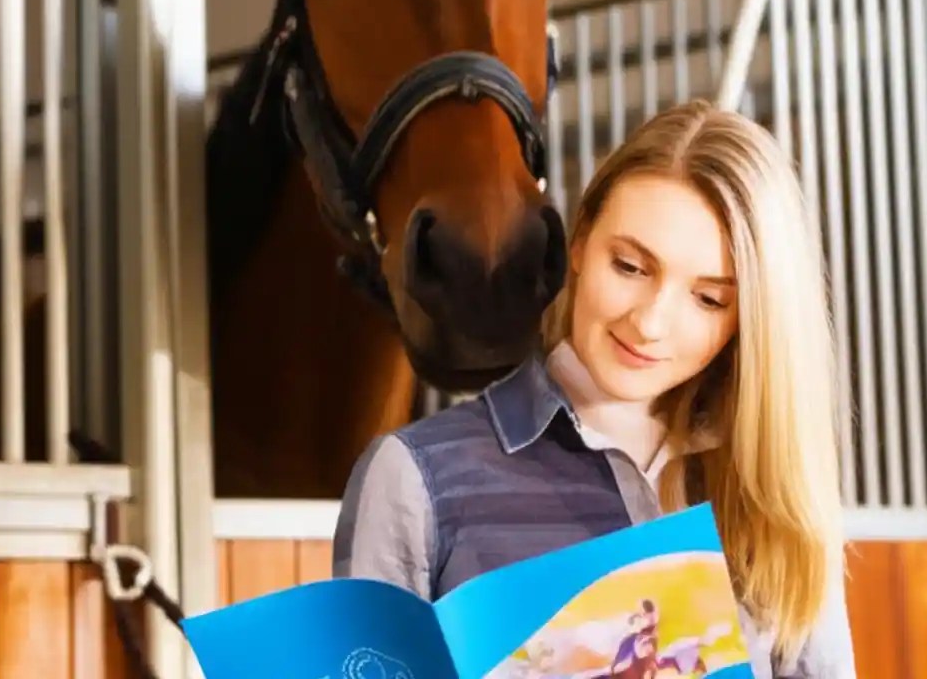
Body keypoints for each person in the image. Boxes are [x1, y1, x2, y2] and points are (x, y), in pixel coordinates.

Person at [332, 100, 856, 678]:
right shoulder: (415, 478)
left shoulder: (771, 493)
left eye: (708, 299)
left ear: (748, 319)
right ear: (579, 241)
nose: (650, 323)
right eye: (630, 266)